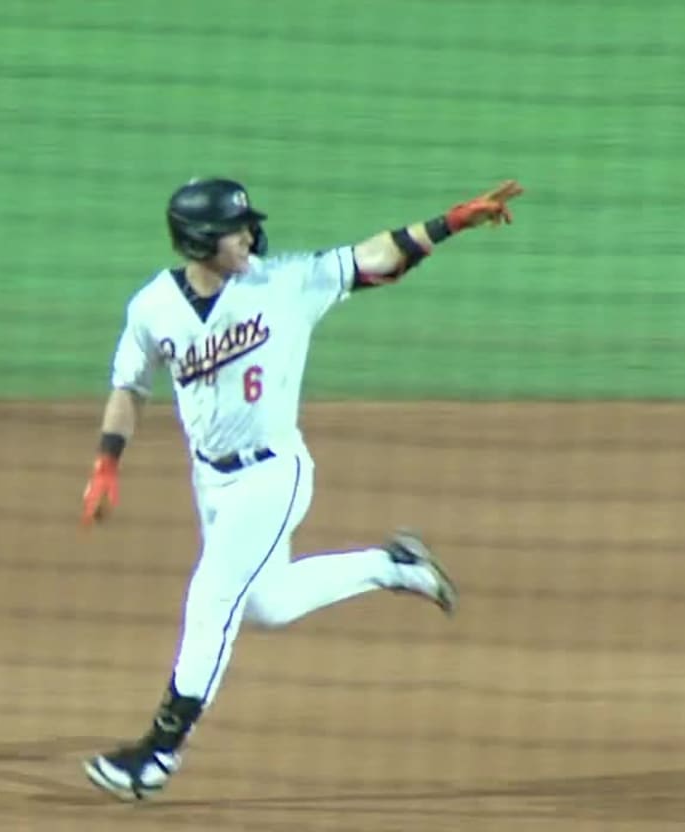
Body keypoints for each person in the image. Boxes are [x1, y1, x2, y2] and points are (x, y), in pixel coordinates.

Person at [78, 176, 525, 801]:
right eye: (235, 229)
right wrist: (107, 463)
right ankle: (394, 566)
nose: (249, 235)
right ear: (200, 241)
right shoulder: (153, 307)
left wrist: (449, 223)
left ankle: (158, 754)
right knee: (268, 605)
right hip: (212, 483)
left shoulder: (286, 283)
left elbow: (375, 258)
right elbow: (129, 387)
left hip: (273, 475)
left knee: (212, 599)